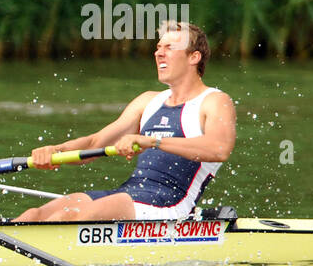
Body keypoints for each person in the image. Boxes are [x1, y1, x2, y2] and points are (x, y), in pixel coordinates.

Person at [14, 22, 235, 222]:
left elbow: (219, 149)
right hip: (129, 195)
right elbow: (94, 143)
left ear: (193, 57)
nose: (159, 53)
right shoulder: (147, 101)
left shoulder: (214, 101)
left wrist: (152, 141)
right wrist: (56, 151)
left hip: (171, 206)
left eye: (169, 48)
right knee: (35, 215)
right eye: (158, 47)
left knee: (75, 215)